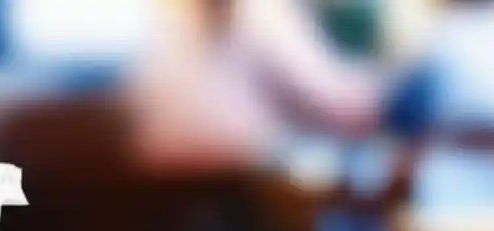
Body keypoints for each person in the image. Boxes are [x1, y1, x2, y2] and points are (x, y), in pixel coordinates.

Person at [126, 0, 382, 170]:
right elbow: (345, 105)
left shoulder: (167, 11)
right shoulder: (257, 9)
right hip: (238, 193)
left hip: (159, 196)